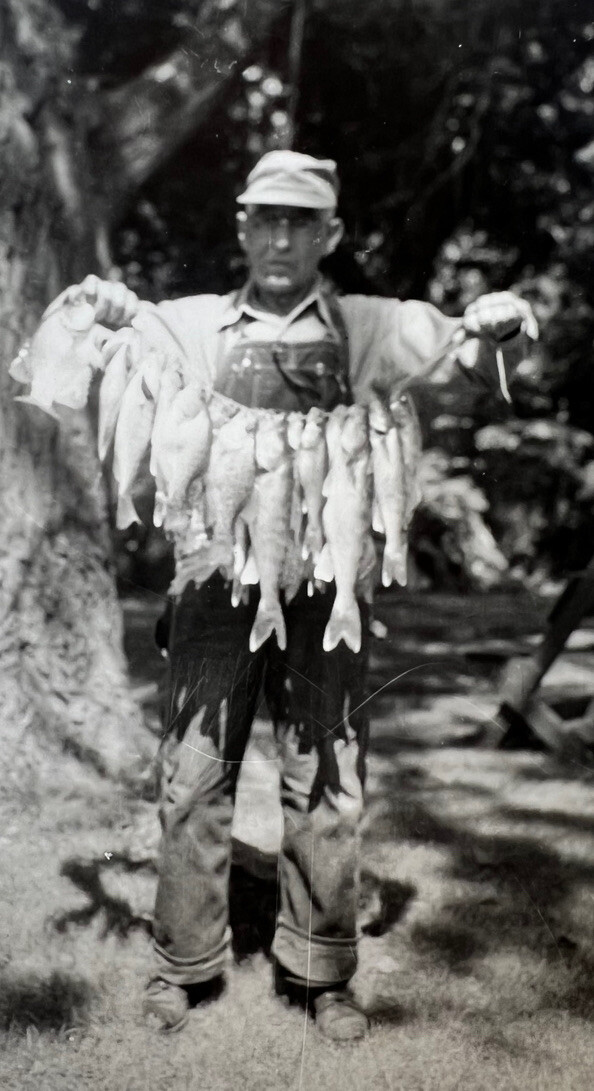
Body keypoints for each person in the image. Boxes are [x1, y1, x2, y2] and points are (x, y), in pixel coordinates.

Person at [55, 151, 536, 1040]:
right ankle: (183, 965)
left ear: (331, 235)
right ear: (243, 229)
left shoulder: (368, 324)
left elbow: (465, 351)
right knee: (194, 778)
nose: (280, 237)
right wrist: (112, 312)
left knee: (329, 777)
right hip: (212, 572)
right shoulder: (192, 322)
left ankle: (323, 969)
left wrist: (496, 325)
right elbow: (109, 345)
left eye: (301, 222)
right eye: (265, 220)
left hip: (325, 578)